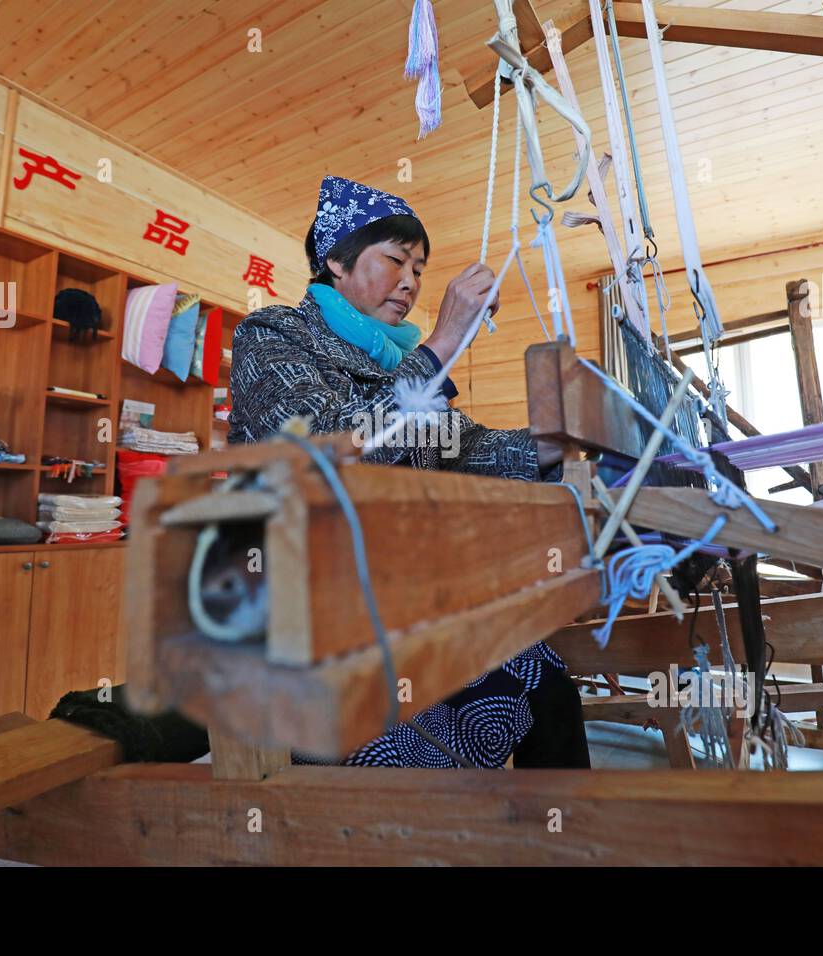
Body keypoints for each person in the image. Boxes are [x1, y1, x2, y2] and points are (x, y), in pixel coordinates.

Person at [227, 175, 589, 769]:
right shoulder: (271, 336)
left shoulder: (396, 362)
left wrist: (563, 445)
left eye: (419, 269)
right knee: (390, 761)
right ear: (335, 263)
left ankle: (564, 843)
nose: (411, 281)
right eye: (395, 260)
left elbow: (467, 447)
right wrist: (445, 342)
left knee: (547, 688)